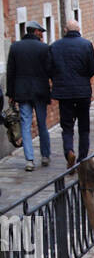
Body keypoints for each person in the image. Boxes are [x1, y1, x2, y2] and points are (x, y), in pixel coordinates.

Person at [49, 16, 94, 166]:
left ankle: (69, 151)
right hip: (82, 92)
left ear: (65, 30)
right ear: (79, 30)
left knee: (67, 126)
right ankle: (82, 159)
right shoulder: (86, 45)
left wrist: (58, 80)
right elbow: (93, 68)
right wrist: (84, 78)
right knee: (84, 127)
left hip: (64, 94)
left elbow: (50, 69)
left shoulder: (55, 46)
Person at [5, 21, 52, 172]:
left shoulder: (15, 47)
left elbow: (10, 72)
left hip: (22, 92)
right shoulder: (44, 48)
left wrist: (11, 94)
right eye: (41, 32)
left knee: (25, 125)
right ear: (36, 32)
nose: (42, 35)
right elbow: (50, 70)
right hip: (40, 91)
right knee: (42, 124)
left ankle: (29, 160)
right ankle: (45, 155)